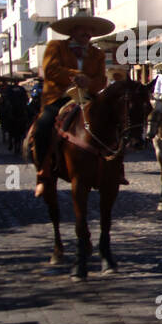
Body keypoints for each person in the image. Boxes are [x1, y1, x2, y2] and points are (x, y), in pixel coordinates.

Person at [33, 14, 113, 197]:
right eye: (83, 29)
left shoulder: (98, 53)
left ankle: (115, 168)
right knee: (42, 127)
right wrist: (76, 75)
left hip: (86, 99)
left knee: (112, 122)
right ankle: (43, 173)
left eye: (90, 30)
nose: (87, 33)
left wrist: (89, 83)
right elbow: (50, 69)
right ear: (72, 31)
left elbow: (101, 81)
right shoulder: (55, 46)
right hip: (59, 98)